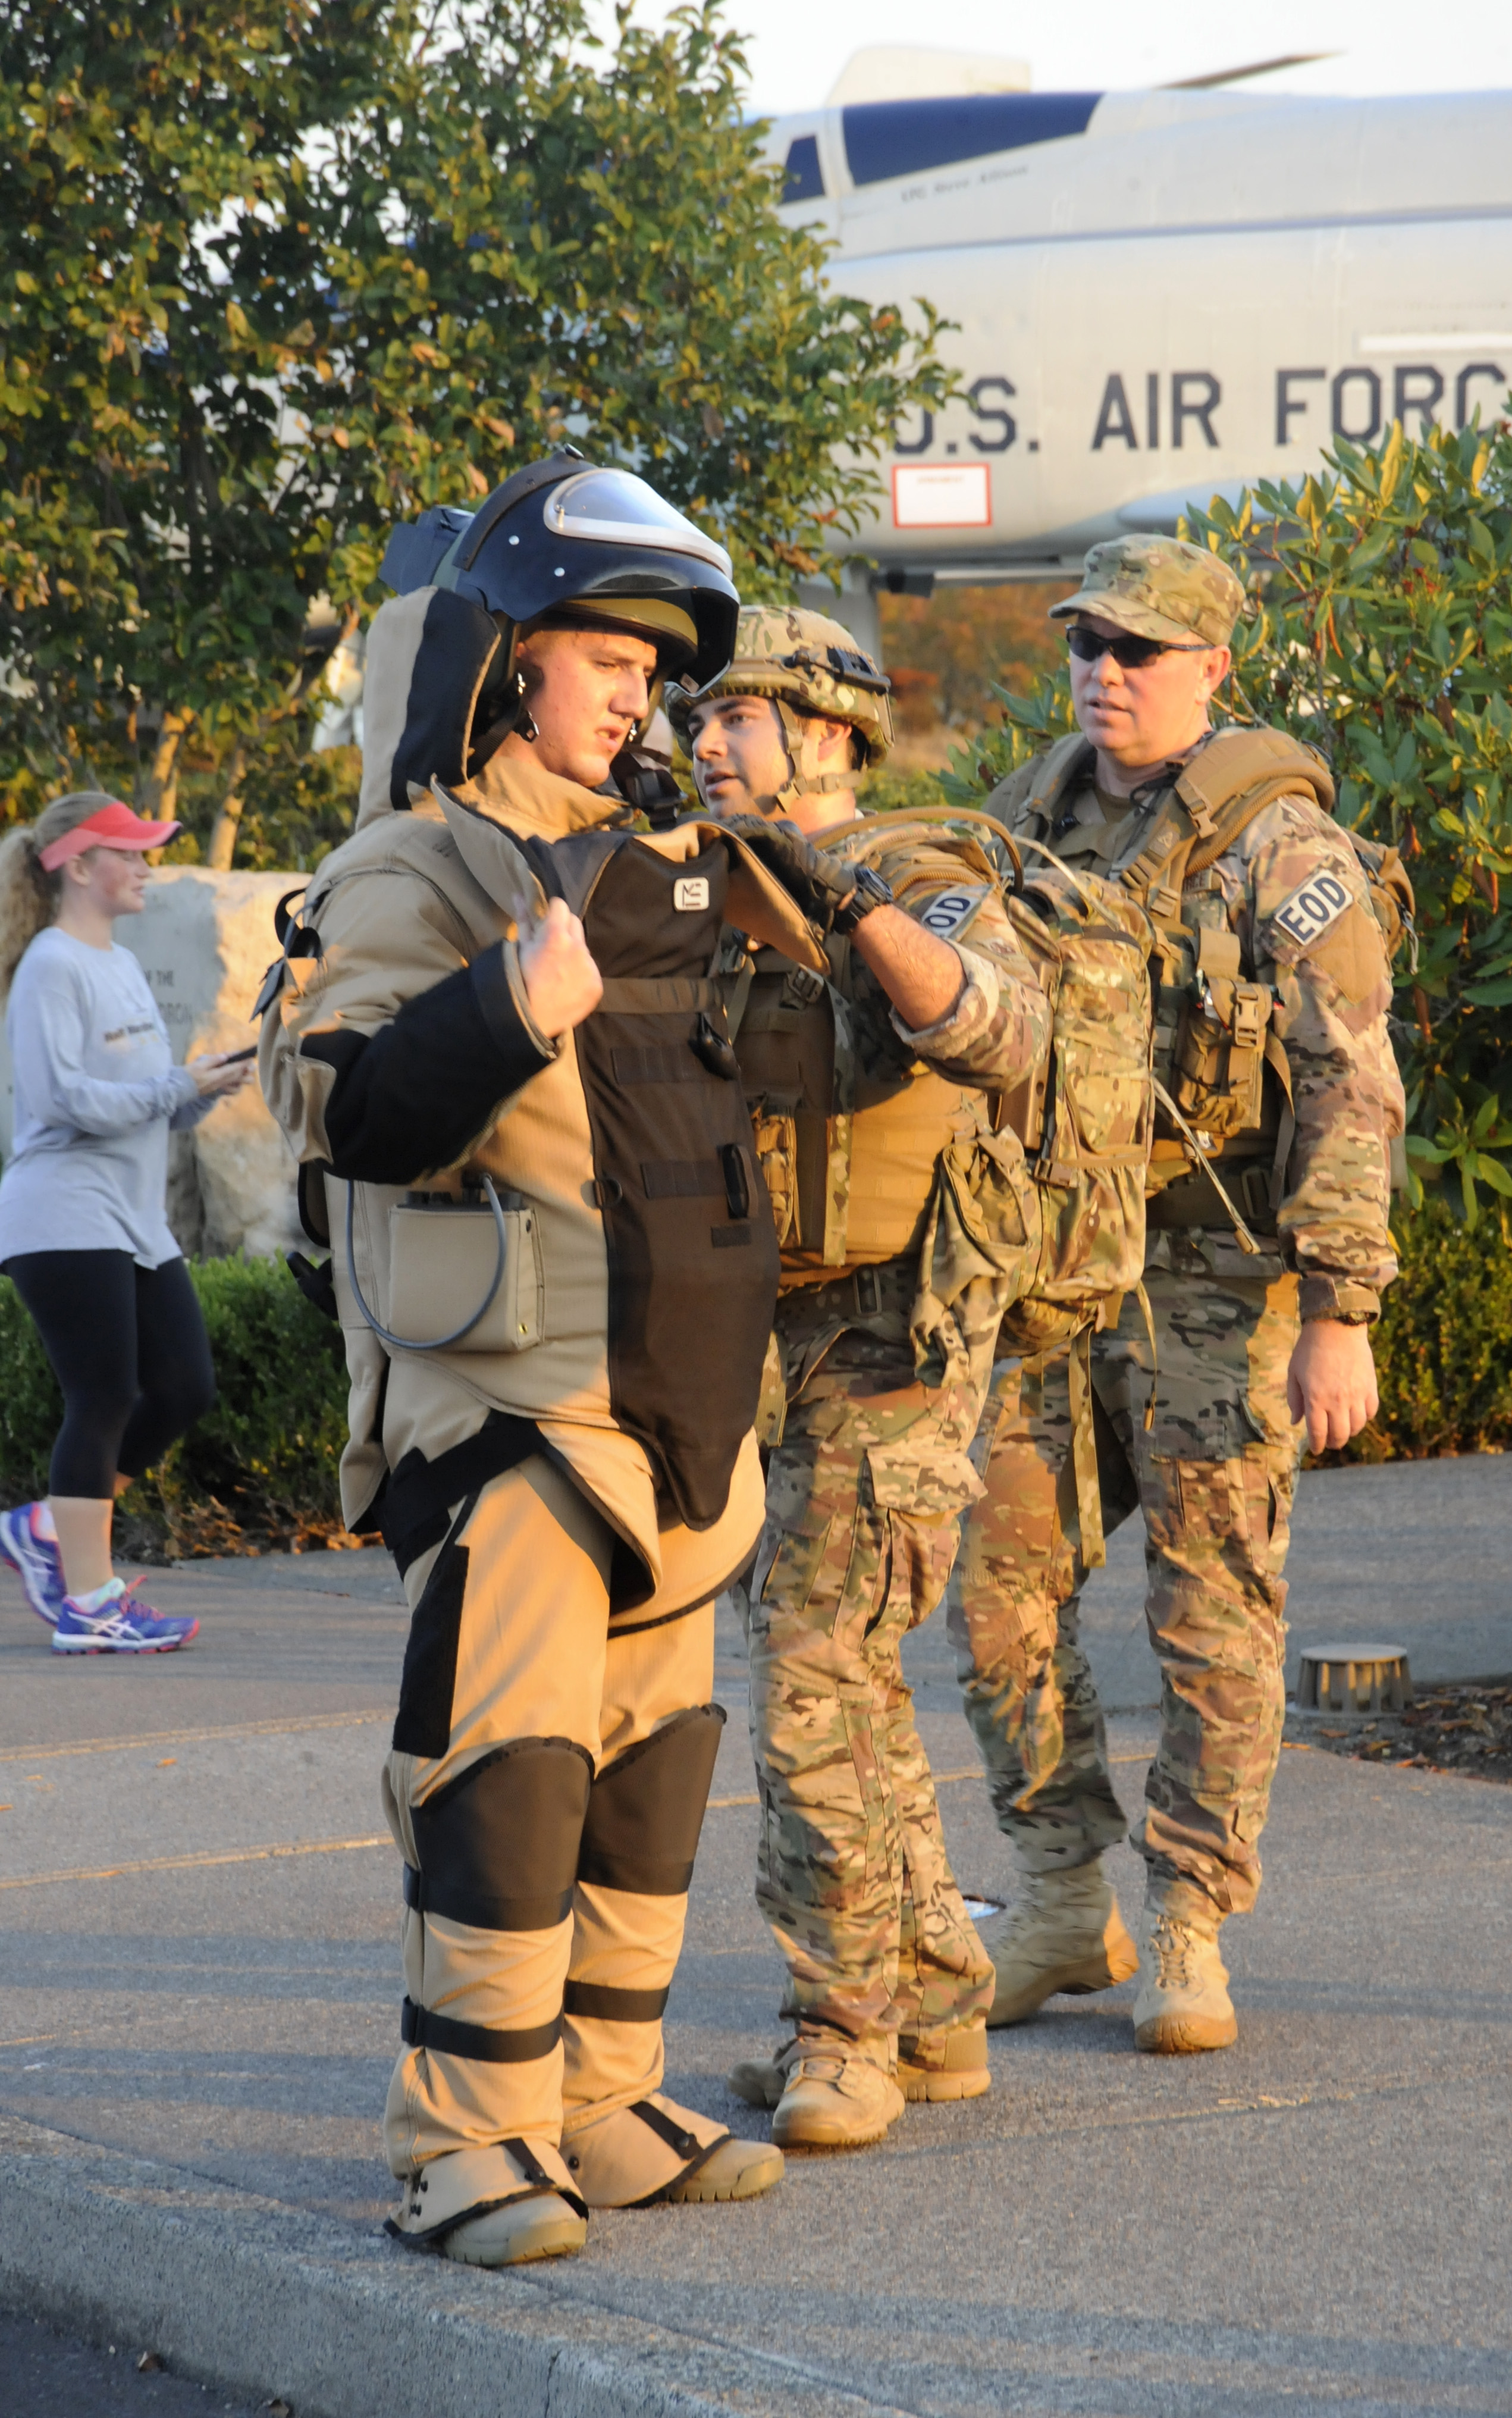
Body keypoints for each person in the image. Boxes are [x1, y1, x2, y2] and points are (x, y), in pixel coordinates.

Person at [259, 456, 832, 2267]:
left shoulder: (667, 867)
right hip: (514, 1410)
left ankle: (600, 2101)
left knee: (648, 1777)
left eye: (652, 669)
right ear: (507, 662)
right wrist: (512, 997)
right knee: (502, 1776)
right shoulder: (412, 867)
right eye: (606, 658)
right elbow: (343, 1107)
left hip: (682, 1412)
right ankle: (463, 2143)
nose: (637, 698)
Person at [952, 535, 1406, 2054]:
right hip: (1047, 1268)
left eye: (1139, 649)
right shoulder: (1024, 818)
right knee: (994, 1584)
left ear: (1214, 667)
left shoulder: (1283, 846)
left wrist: (1339, 1309)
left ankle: (1192, 1920)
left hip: (1217, 1276)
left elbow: (1351, 1079)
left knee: (1212, 1615)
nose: (1105, 671)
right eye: (1088, 643)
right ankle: (1059, 1895)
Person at [668, 606, 1050, 2151]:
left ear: (830, 734)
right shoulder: (706, 881)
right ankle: (937, 1998)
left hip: (900, 1339)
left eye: (738, 716)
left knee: (810, 1675)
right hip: (767, 1336)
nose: (705, 741)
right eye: (699, 718)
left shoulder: (924, 869)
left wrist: (850, 900)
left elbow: (999, 1031)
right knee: (851, 1675)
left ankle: (846, 2031)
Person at [0, 792, 251, 1652]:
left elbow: (145, 1104)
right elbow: (59, 1100)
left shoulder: (123, 963)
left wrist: (202, 1088)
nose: (147, 867)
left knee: (184, 1386)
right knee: (103, 1395)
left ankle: (48, 1529)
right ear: (78, 865)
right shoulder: (51, 964)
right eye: (130, 853)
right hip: (64, 1214)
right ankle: (89, 1603)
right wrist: (177, 1086)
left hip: (130, 1219)